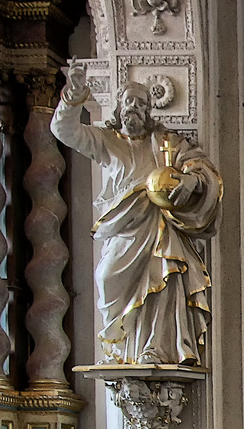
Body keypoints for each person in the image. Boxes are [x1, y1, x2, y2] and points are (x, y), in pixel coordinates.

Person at [52, 66, 222, 366]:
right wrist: (74, 95)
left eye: (141, 103)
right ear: (119, 106)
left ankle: (155, 348)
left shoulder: (165, 142)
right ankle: (123, 349)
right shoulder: (106, 141)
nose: (134, 107)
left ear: (148, 111)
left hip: (158, 228)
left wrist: (189, 181)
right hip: (123, 228)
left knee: (163, 283)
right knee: (106, 278)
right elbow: (64, 131)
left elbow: (199, 168)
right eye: (129, 101)